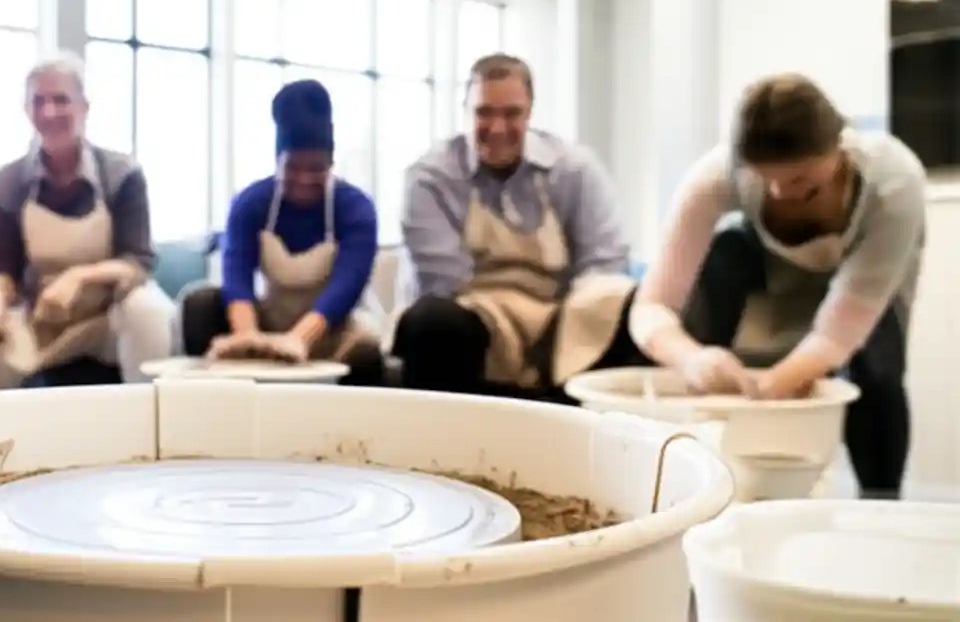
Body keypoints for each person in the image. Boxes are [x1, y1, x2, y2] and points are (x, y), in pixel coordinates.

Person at [628, 73, 925, 500]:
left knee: (877, 371)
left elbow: (841, 332)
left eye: (804, 182)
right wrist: (692, 359)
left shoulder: (894, 183)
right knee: (725, 252)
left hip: (861, 296)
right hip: (766, 270)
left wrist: (771, 386)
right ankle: (693, 488)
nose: (783, 193)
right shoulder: (717, 176)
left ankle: (881, 502)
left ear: (837, 147)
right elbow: (651, 307)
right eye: (766, 180)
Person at [392, 54, 643, 401]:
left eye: (511, 113)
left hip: (560, 318)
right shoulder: (430, 178)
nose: (497, 128)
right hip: (473, 316)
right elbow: (447, 281)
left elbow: (604, 264)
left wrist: (563, 327)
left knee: (632, 308)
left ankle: (574, 434)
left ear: (530, 112)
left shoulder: (574, 170)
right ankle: (443, 444)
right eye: (484, 113)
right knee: (434, 322)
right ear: (466, 110)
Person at [0, 52, 174, 388]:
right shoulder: (9, 181)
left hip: (110, 316)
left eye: (61, 100)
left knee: (148, 311)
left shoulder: (121, 174)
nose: (49, 112)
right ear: (26, 111)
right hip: (45, 319)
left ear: (84, 107)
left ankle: (148, 417)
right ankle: (2, 435)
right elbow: (6, 270)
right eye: (39, 102)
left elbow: (138, 262)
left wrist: (78, 277)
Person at [179, 79, 384, 385]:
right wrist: (248, 341)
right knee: (199, 304)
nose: (303, 179)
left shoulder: (356, 208)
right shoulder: (251, 203)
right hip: (268, 324)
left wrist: (298, 340)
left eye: (316, 169)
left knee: (366, 354)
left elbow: (347, 286)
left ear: (331, 163)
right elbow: (236, 276)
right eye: (292, 168)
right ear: (277, 161)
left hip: (332, 327)